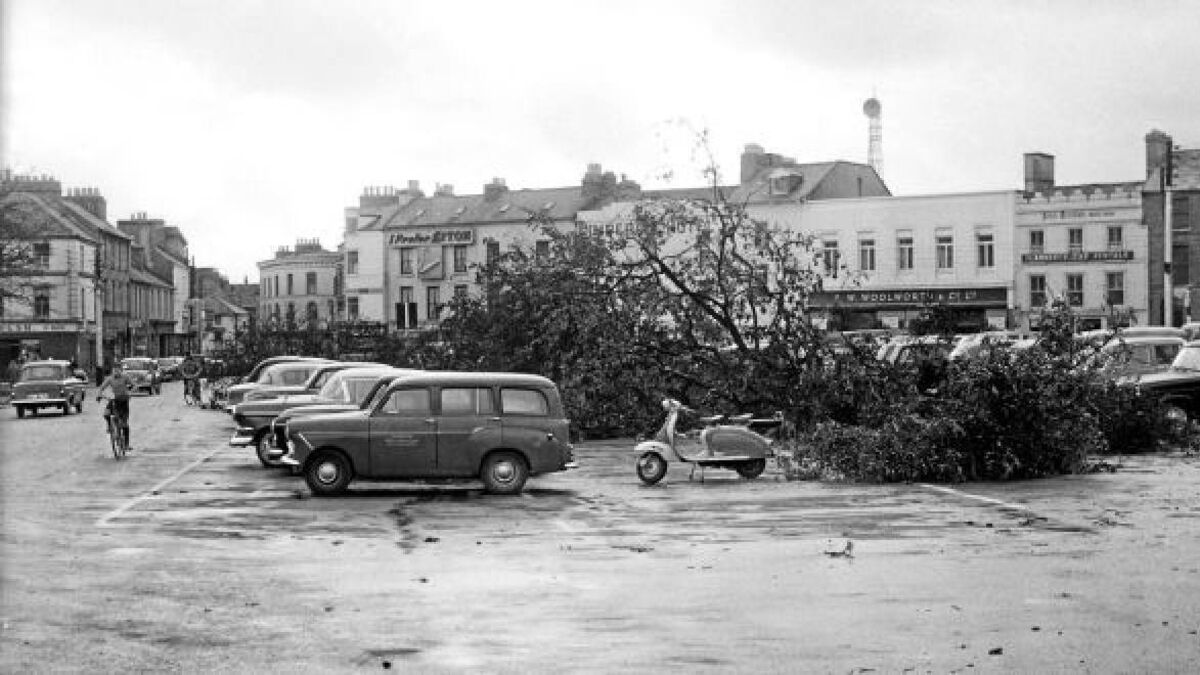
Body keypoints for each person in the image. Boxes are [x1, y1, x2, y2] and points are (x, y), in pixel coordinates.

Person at [96, 363, 134, 449]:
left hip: (124, 401)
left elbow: (134, 385)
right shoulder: (110, 379)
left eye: (118, 370)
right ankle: (110, 426)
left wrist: (130, 392)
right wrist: (99, 395)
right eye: (114, 370)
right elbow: (102, 387)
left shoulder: (125, 377)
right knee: (106, 414)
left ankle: (126, 444)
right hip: (115, 400)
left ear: (121, 370)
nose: (116, 372)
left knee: (124, 424)